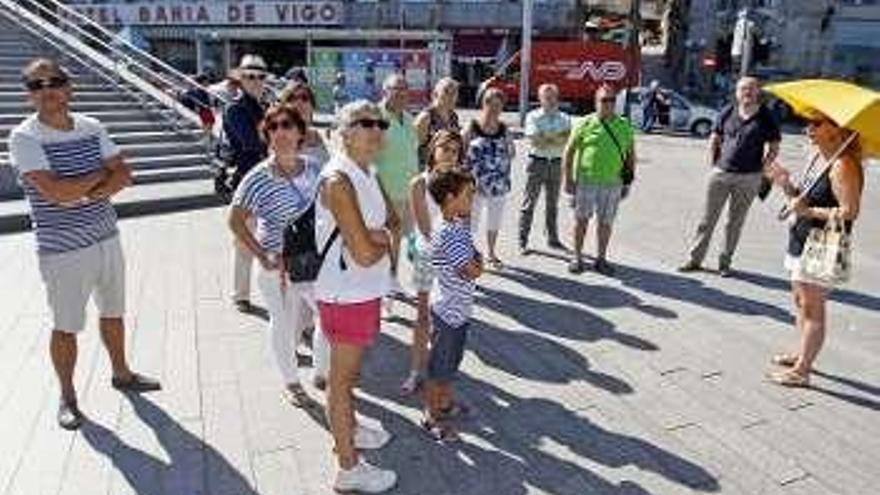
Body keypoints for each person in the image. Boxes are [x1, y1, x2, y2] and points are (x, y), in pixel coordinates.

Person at [9, 58, 160, 431]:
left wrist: (83, 190)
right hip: (62, 249)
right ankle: (68, 396)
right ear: (29, 94)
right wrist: (98, 177)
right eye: (36, 84)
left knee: (114, 312)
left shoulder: (91, 126)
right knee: (66, 326)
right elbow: (55, 193)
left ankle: (122, 373)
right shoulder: (25, 137)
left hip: (106, 237)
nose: (47, 90)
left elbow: (124, 174)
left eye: (54, 81)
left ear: (69, 86)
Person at [315, 100, 400, 493]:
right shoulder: (338, 180)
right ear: (345, 132)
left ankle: (352, 428)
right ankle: (348, 467)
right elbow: (365, 252)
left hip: (363, 290)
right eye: (366, 123)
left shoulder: (369, 170)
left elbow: (392, 224)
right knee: (341, 381)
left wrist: (379, 236)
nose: (376, 129)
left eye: (380, 123)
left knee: (350, 377)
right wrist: (382, 239)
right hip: (344, 292)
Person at [228, 105, 322, 407]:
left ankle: (321, 371)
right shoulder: (258, 176)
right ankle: (292, 383)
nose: (280, 132)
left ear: (299, 132)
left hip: (309, 261)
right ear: (266, 135)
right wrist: (261, 255)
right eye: (273, 127)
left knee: (323, 316)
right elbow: (234, 220)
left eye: (287, 125)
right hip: (276, 264)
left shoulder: (313, 169)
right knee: (281, 321)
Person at [766, 115, 863, 387]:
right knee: (800, 302)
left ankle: (802, 371)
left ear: (837, 129)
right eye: (808, 123)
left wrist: (807, 211)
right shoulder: (817, 157)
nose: (808, 128)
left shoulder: (843, 165)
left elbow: (849, 211)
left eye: (817, 123)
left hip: (823, 243)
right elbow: (802, 197)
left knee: (812, 308)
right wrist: (785, 184)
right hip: (801, 237)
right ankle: (801, 354)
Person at [678, 77, 781, 277]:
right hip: (722, 173)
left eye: (752, 88)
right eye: (743, 89)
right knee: (707, 220)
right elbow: (715, 138)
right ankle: (694, 260)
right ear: (737, 92)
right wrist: (713, 163)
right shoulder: (727, 111)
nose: (747, 92)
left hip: (749, 177)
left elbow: (774, 147)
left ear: (758, 91)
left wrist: (763, 167)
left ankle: (724, 263)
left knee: (734, 222)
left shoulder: (766, 116)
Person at [278, 81, 332, 390]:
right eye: (294, 98)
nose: (301, 103)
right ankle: (291, 371)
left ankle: (320, 370)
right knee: (295, 304)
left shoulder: (317, 137)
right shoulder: (282, 138)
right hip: (292, 236)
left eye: (306, 98)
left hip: (322, 232)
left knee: (316, 301)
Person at [402, 130, 464, 396]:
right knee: (424, 315)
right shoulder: (419, 183)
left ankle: (440, 373)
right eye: (444, 148)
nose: (449, 154)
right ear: (432, 150)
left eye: (455, 149)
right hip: (428, 257)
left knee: (448, 320)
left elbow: (464, 221)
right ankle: (416, 371)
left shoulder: (462, 183)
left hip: (453, 260)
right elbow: (425, 228)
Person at [422, 168, 482, 441]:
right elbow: (471, 269)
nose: (473, 197)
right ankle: (431, 415)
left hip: (456, 310)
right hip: (449, 313)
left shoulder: (453, 223)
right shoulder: (450, 233)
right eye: (469, 193)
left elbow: (472, 259)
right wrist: (477, 265)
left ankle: (445, 403)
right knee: (439, 368)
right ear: (449, 198)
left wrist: (475, 261)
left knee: (450, 364)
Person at [562, 84, 635, 276]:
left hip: (613, 183)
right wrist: (568, 180)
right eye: (604, 100)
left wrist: (627, 181)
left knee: (606, 223)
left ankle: (601, 259)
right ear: (596, 102)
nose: (608, 104)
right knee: (581, 221)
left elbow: (630, 155)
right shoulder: (584, 123)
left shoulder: (624, 125)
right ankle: (577, 257)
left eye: (612, 100)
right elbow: (568, 153)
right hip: (586, 181)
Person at [225, 54, 269, 312]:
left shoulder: (263, 105)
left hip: (268, 180)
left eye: (260, 75)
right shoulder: (236, 108)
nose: (255, 80)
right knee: (243, 241)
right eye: (249, 75)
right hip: (247, 181)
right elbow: (252, 143)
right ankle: (240, 294)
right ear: (241, 78)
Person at [374, 74, 420, 297]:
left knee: (398, 240)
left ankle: (391, 280)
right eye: (396, 89)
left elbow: (412, 153)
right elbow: (369, 160)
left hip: (407, 192)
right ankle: (381, 290)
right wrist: (379, 195)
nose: (401, 93)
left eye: (405, 89)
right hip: (383, 193)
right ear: (385, 91)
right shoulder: (375, 117)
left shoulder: (409, 119)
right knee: (382, 241)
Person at [463, 87, 515, 269]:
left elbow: (512, 153)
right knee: (471, 222)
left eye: (497, 104)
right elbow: (461, 152)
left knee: (495, 220)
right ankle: (468, 255)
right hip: (473, 187)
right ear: (483, 104)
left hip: (498, 185)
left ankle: (491, 253)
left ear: (502, 107)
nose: (493, 108)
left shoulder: (504, 128)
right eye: (489, 103)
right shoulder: (472, 126)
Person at [519, 83, 571, 254]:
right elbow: (535, 140)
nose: (549, 100)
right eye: (545, 97)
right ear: (540, 99)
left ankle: (553, 238)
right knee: (529, 203)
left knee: (552, 204)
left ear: (557, 98)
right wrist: (556, 137)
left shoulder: (565, 117)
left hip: (556, 163)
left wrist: (545, 137)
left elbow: (566, 139)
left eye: (552, 97)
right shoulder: (532, 116)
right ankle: (523, 240)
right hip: (537, 163)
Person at [279, 81, 330, 166]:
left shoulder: (325, 138)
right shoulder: (278, 138)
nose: (299, 103)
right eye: (292, 98)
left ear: (312, 106)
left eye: (304, 98)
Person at [415, 77, 461, 169]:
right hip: (429, 170)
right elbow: (415, 150)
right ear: (435, 94)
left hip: (446, 169)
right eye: (446, 91)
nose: (451, 96)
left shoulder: (453, 117)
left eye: (454, 92)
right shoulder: (425, 118)